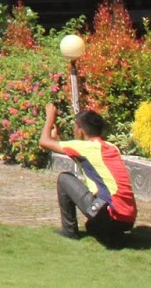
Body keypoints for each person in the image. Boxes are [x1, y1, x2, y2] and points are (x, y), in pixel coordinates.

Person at [38, 103, 136, 240]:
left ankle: (69, 232)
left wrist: (49, 118)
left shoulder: (85, 147)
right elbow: (86, 162)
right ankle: (112, 232)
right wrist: (58, 140)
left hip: (110, 216)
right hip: (128, 220)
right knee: (92, 226)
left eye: (75, 127)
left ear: (81, 131)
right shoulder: (111, 147)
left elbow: (43, 141)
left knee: (64, 178)